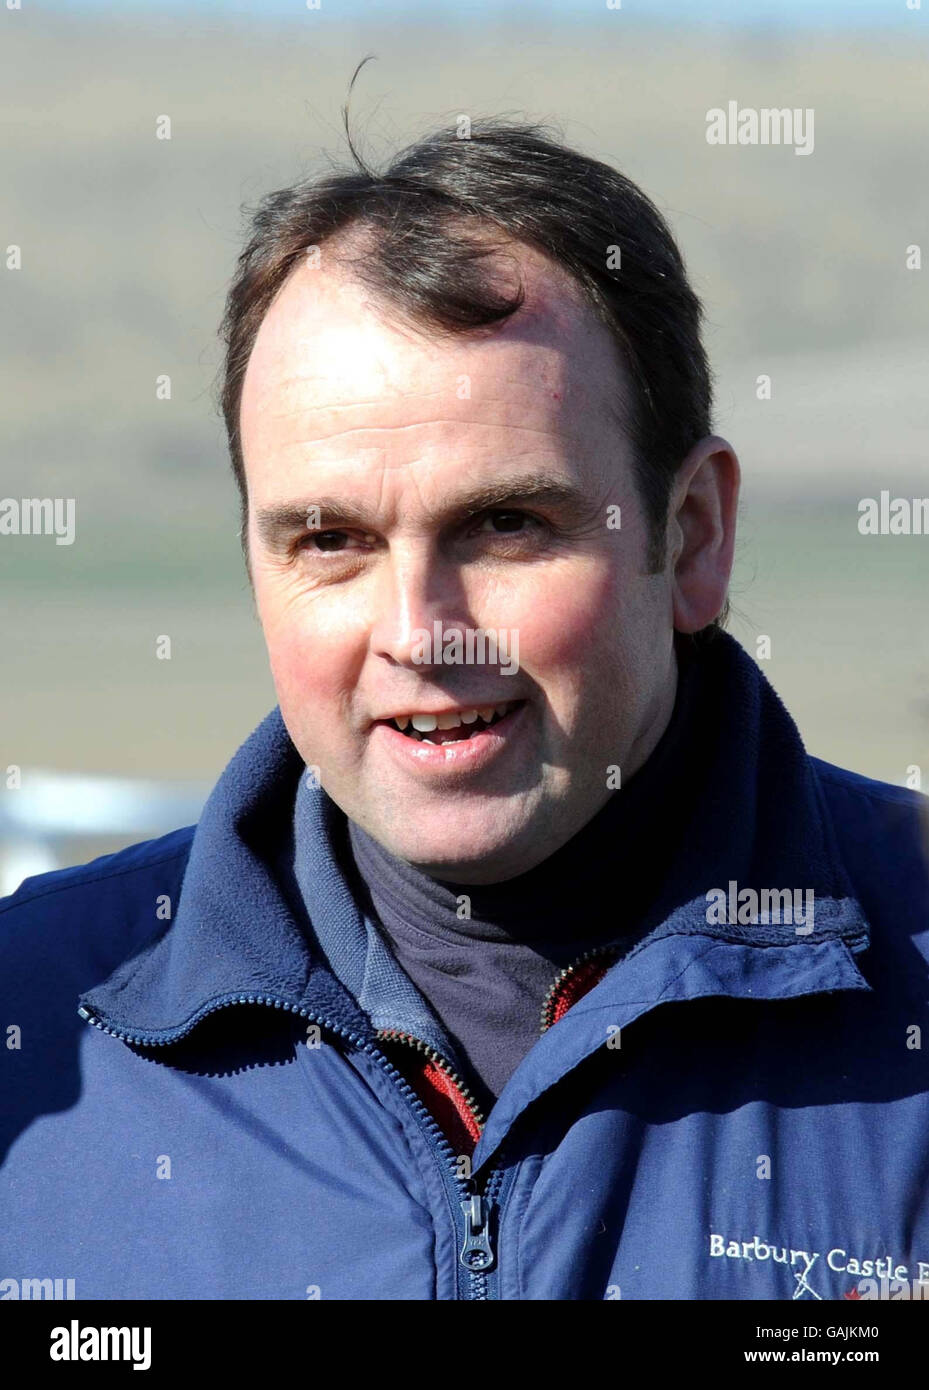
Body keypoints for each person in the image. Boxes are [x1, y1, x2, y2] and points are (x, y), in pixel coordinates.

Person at [2, 118, 928, 1303]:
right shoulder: (37, 1037)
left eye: (504, 525)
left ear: (690, 534)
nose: (420, 631)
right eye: (329, 540)